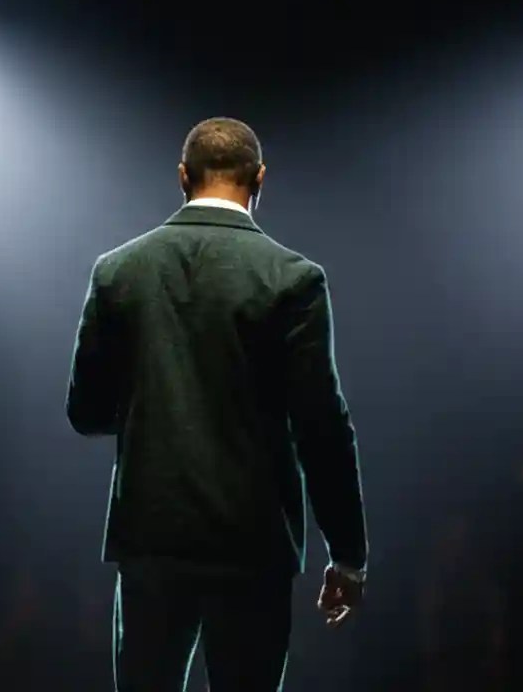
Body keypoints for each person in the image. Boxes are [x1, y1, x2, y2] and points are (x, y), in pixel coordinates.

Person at [65, 117, 368, 691]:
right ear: (260, 179)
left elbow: (86, 412)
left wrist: (155, 404)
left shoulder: (118, 272)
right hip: (253, 544)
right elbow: (323, 429)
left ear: (183, 176)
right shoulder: (294, 280)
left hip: (151, 538)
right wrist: (348, 556)